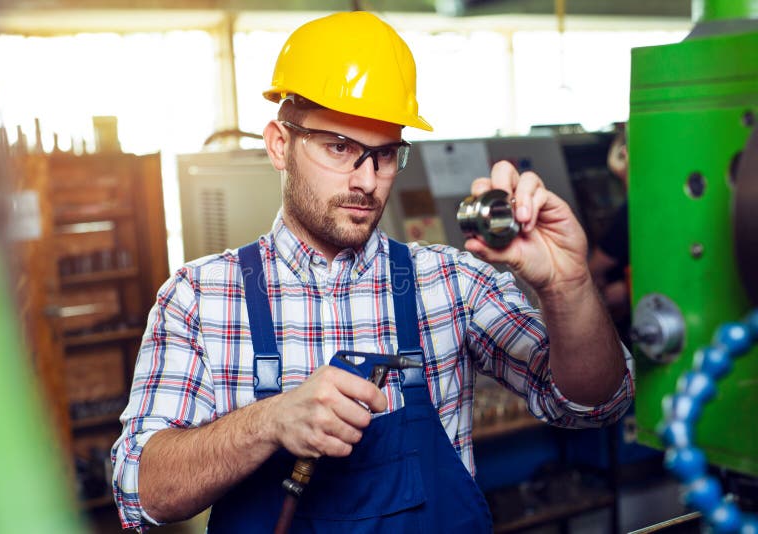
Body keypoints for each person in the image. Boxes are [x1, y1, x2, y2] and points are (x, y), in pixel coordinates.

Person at [111, 11, 633, 532]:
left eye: (384, 155)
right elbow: (138, 489)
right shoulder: (201, 297)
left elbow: (595, 404)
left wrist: (567, 287)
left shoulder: (452, 283)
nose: (367, 180)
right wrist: (269, 422)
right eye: (341, 148)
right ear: (279, 145)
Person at [589, 128, 631, 342]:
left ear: (626, 155)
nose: (625, 187)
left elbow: (595, 267)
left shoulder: (633, 210)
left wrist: (627, 289)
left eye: (622, 178)